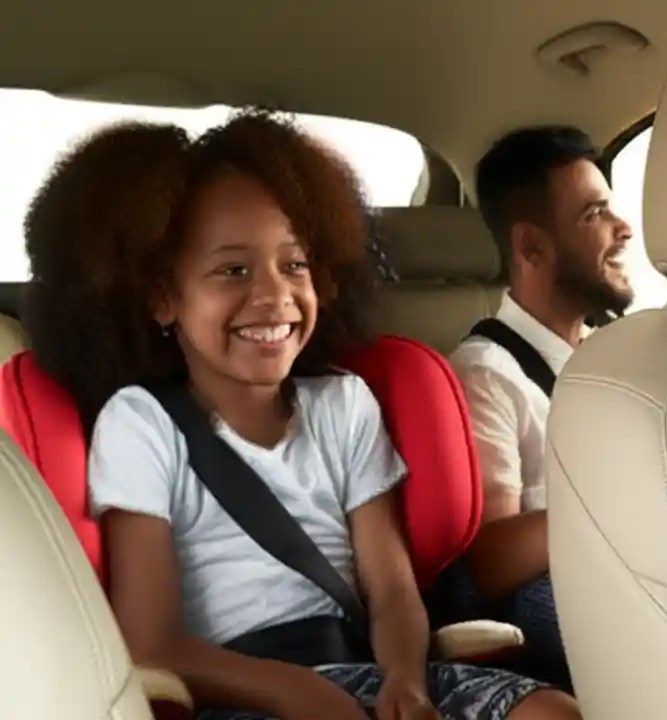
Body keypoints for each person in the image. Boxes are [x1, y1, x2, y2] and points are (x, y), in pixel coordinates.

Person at [22, 110, 580, 720]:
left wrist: (404, 681)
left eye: (294, 264)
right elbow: (151, 643)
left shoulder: (345, 404)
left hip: (365, 667)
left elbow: (391, 590)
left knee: (550, 710)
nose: (274, 295)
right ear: (162, 298)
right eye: (233, 270)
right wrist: (299, 692)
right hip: (233, 691)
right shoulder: (141, 424)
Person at [448, 125, 634, 685]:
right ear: (531, 246)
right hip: (557, 596)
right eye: (593, 214)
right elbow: (492, 559)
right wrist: (628, 511)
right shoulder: (486, 373)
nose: (623, 229)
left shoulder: (616, 357)